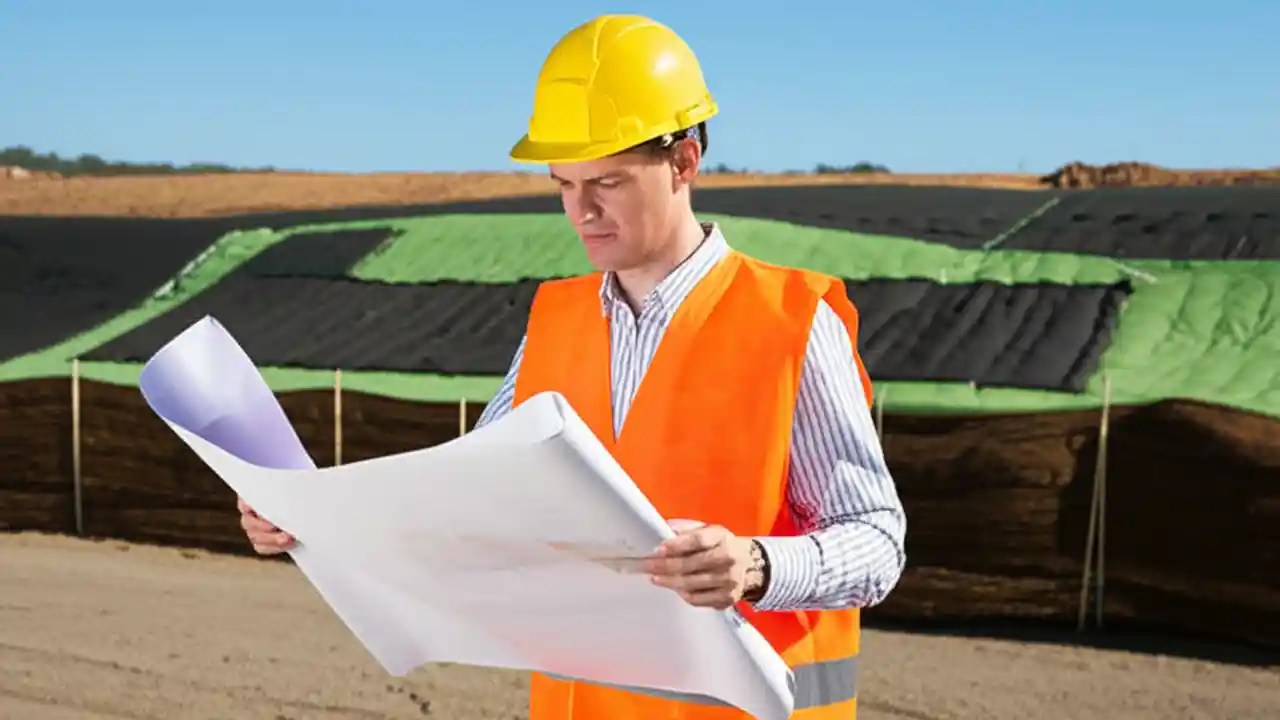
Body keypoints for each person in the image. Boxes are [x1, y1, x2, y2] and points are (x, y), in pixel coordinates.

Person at [239, 13, 906, 719]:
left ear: (684, 161)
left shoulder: (794, 320)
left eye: (608, 183)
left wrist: (756, 564)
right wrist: (314, 521)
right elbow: (462, 501)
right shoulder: (554, 322)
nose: (580, 212)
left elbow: (877, 542)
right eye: (564, 184)